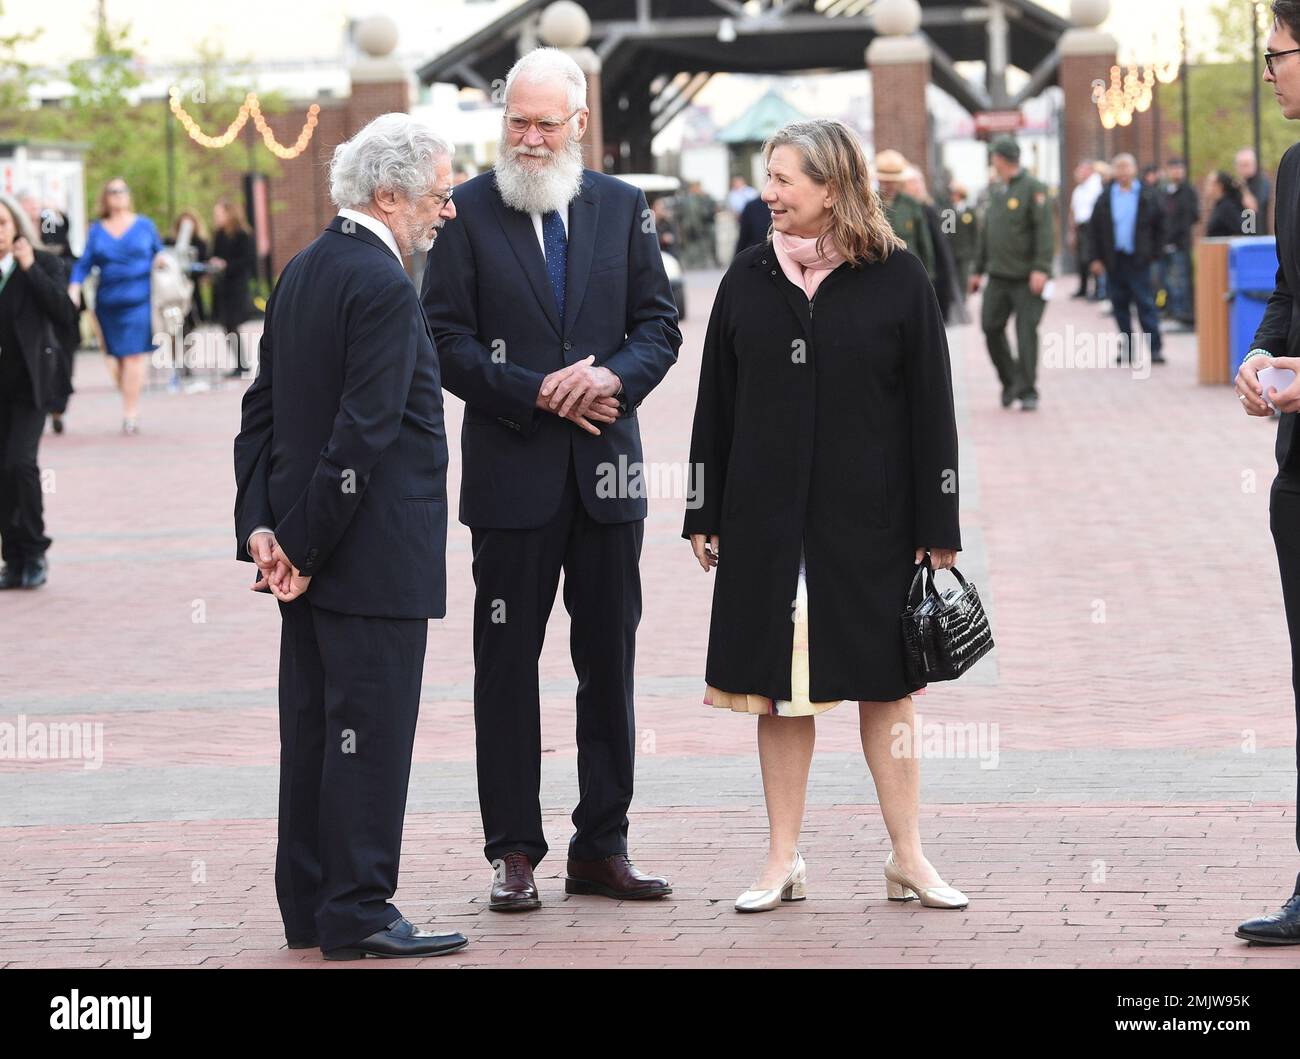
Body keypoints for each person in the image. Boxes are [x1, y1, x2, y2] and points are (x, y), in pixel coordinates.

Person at [683, 118, 967, 913]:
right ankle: (781, 859)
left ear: (833, 189)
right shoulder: (746, 277)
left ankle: (908, 855)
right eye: (766, 177)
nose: (766, 192)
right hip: (767, 524)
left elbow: (932, 410)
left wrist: (937, 524)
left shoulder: (898, 277)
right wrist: (702, 506)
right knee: (779, 691)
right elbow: (716, 401)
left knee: (888, 687)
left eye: (783, 179)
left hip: (871, 523)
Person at [421, 47, 682, 912]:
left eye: (545, 123)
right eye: (516, 122)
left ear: (579, 123)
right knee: (506, 665)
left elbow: (659, 326)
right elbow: (444, 340)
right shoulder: (461, 212)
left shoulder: (623, 207)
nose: (529, 139)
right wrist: (533, 390)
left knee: (608, 661)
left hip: (607, 478)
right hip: (511, 477)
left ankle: (601, 844)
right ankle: (515, 851)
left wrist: (609, 377)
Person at [232, 113, 467, 960]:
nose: (448, 212)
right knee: (367, 733)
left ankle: (312, 904)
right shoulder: (380, 284)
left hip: (313, 556)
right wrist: (301, 544)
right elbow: (362, 433)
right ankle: (360, 906)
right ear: (391, 194)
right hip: (367, 559)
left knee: (316, 731)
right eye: (440, 196)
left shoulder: (302, 269)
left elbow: (261, 416)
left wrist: (264, 529)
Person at [1232, 0, 1300, 945]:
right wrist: (1261, 359)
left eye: (1277, 53)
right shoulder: (1292, 168)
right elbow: (1287, 291)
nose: (1270, 70)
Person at [0, 193, 78, 590]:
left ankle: (34, 553)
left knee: (19, 464)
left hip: (29, 385)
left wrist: (29, 267)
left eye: (2, 224)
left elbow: (64, 314)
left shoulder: (42, 262)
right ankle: (12, 558)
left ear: (16, 226)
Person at [68, 178, 163, 434]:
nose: (118, 195)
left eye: (122, 191)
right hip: (108, 302)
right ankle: (129, 398)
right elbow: (84, 263)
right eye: (112, 191)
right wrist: (74, 287)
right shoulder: (98, 230)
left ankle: (130, 414)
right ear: (105, 198)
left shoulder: (145, 226)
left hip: (139, 300)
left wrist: (163, 262)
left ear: (128, 196)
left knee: (133, 356)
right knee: (119, 358)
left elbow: (159, 252)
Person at [970, 136, 1054, 410]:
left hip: (1026, 276)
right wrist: (977, 269)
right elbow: (987, 234)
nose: (992, 161)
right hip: (998, 276)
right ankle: (1011, 380)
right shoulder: (996, 191)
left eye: (994, 157)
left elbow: (1044, 231)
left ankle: (1028, 390)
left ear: (1001, 159)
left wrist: (1041, 268)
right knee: (990, 326)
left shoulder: (1034, 189)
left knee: (1025, 331)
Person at [1089, 152, 1166, 366]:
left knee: (1145, 304)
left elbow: (1160, 226)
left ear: (1134, 169)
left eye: (1126, 167)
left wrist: (1154, 253)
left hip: (1139, 259)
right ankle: (1128, 349)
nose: (1123, 171)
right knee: (1119, 305)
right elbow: (1094, 231)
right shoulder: (1104, 198)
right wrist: (1095, 258)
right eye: (1119, 167)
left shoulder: (1147, 195)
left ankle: (1155, 347)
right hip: (1114, 259)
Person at [210, 198, 257, 377]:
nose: (216, 217)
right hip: (222, 287)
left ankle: (241, 363)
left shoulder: (243, 235)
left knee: (232, 324)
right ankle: (239, 362)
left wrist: (226, 264)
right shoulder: (219, 234)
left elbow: (247, 261)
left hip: (236, 286)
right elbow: (214, 254)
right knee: (227, 325)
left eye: (219, 213)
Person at [874, 149, 934, 280]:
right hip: (879, 274)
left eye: (893, 181)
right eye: (885, 180)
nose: (889, 185)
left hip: (909, 274)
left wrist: (928, 277)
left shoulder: (912, 205)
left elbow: (924, 243)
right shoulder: (869, 205)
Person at [1158, 158, 1199, 327]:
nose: (1176, 172)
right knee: (1167, 282)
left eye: (1179, 168)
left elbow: (1191, 216)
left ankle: (1184, 316)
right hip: (1164, 245)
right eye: (1173, 168)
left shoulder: (1188, 192)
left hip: (1180, 244)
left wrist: (1176, 237)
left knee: (1180, 281)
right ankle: (1172, 312)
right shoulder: (1165, 191)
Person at [1069, 161, 1104, 299]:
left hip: (1092, 226)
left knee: (1092, 257)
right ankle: (1083, 288)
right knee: (1081, 259)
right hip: (1081, 226)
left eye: (1080, 170)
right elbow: (1073, 210)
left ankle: (1097, 290)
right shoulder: (1079, 189)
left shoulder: (1096, 185)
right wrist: (1072, 231)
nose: (1077, 174)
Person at [1238, 146, 1273, 235]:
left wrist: (1243, 189)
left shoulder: (1261, 181)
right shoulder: (1243, 183)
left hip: (1258, 233)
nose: (1242, 169)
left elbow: (1254, 206)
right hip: (1245, 232)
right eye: (1240, 165)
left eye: (1246, 165)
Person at [1205, 170, 1251, 238]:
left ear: (1219, 186)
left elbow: (1243, 229)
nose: (1206, 186)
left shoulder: (1227, 207)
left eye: (1210, 183)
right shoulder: (1219, 205)